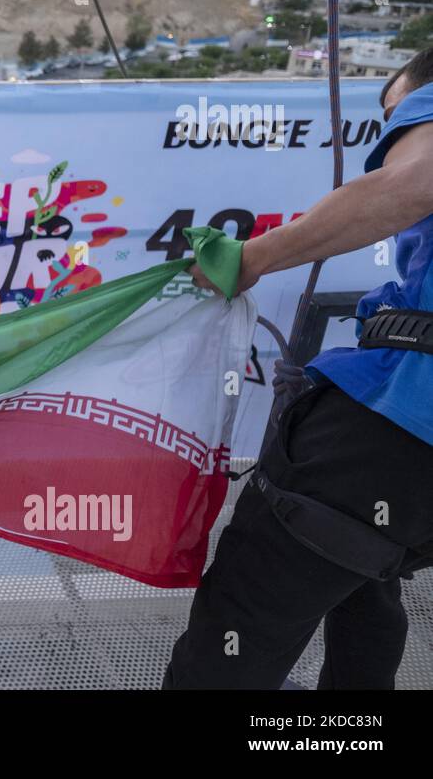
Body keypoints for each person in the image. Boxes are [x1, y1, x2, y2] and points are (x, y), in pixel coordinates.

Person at [164, 48, 433, 689]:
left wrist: (250, 260)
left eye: (396, 114)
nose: (395, 131)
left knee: (240, 629)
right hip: (406, 476)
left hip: (396, 426)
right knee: (369, 572)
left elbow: (412, 184)